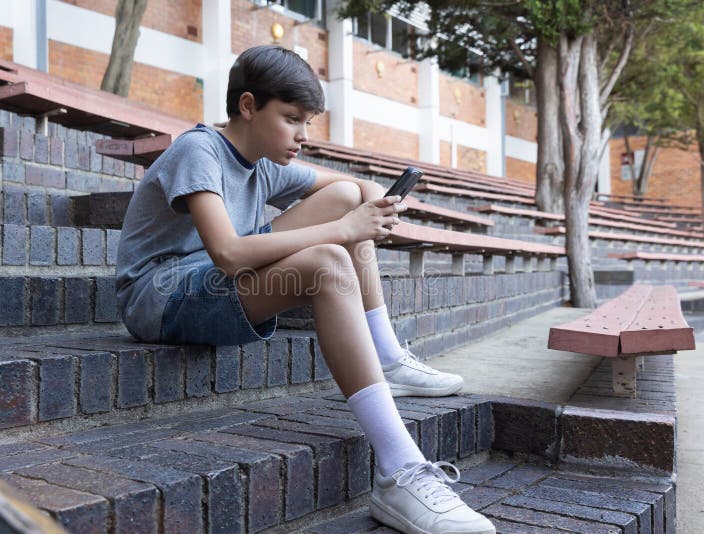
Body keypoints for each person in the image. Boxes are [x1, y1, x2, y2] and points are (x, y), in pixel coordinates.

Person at [115, 45, 496, 534]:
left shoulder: (263, 159)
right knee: (331, 255)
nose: (303, 136)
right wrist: (347, 229)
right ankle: (399, 471)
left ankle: (385, 357)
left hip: (209, 282)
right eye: (293, 119)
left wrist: (372, 199)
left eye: (309, 122)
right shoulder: (199, 150)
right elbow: (228, 253)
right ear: (248, 106)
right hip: (160, 294)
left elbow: (348, 188)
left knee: (344, 198)